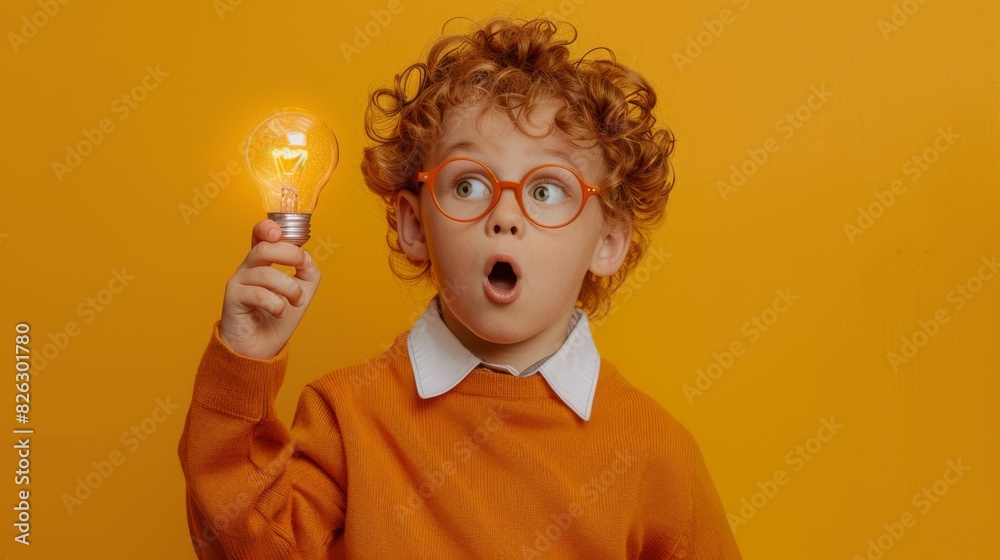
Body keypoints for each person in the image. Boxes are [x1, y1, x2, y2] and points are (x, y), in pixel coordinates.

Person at [178, 16, 742, 560]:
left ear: (609, 241)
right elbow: (243, 547)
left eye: (546, 191)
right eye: (469, 184)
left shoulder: (654, 451)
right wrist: (241, 371)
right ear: (413, 224)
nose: (505, 214)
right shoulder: (345, 416)